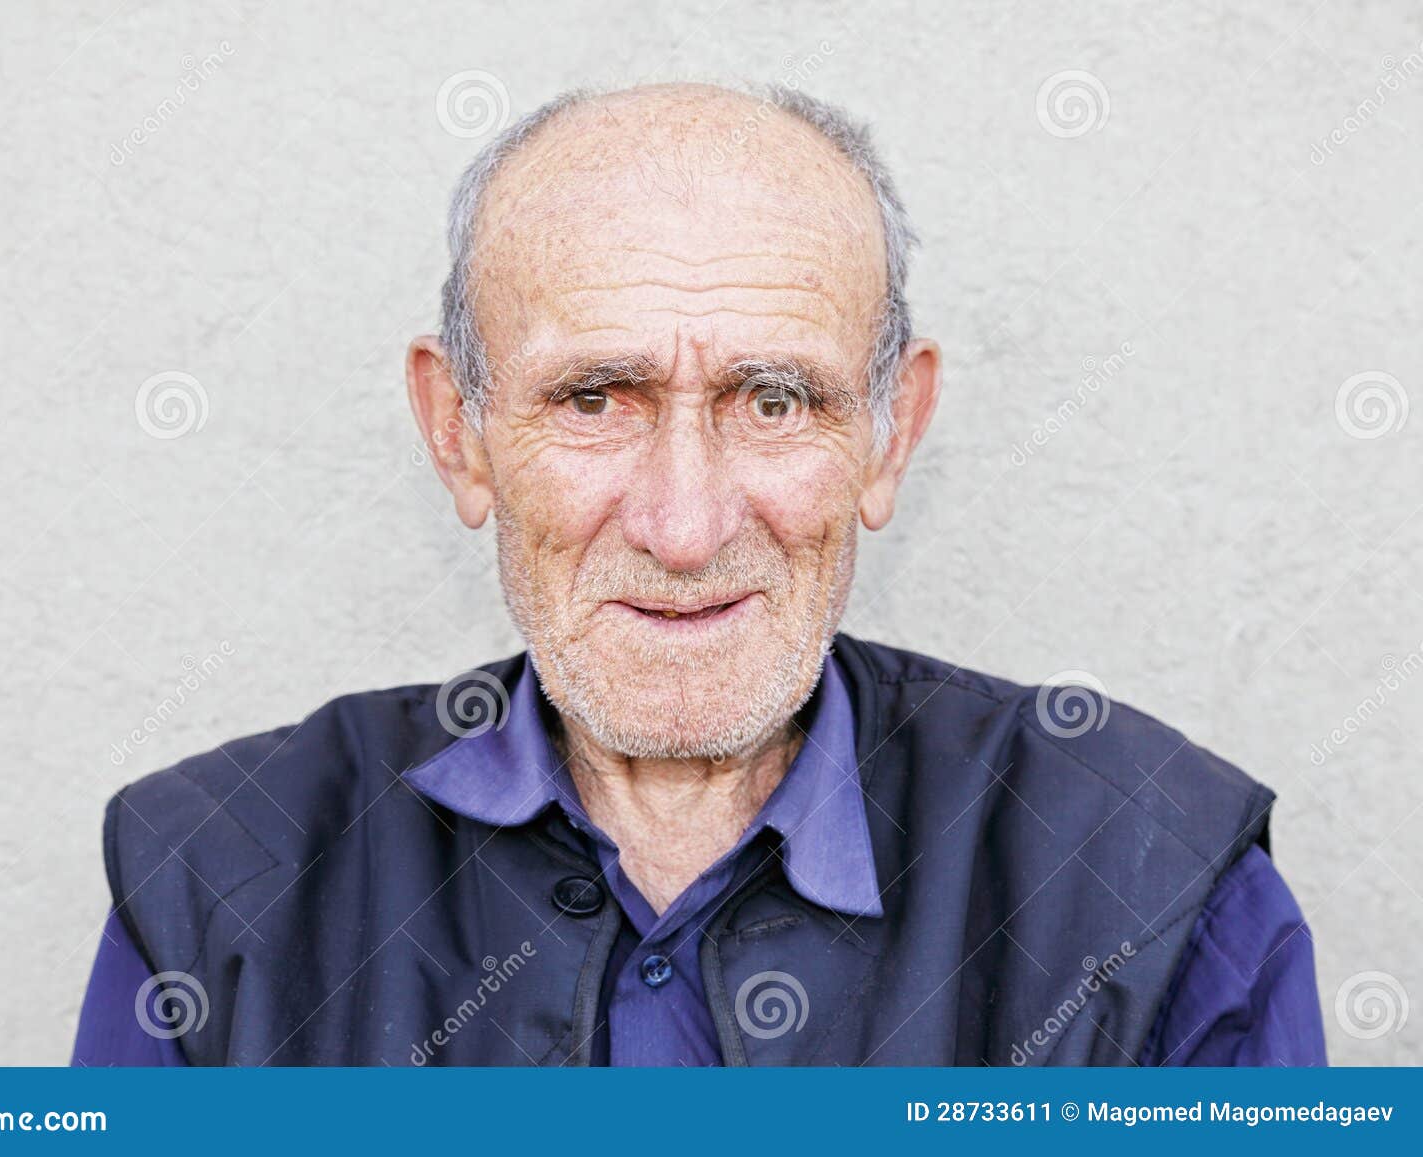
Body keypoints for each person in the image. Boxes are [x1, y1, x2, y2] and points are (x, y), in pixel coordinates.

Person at [73, 82, 1323, 1066]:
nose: (683, 525)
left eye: (774, 399)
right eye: (594, 397)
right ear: (458, 432)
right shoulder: (220, 878)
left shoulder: (1155, 882)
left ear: (889, 433)